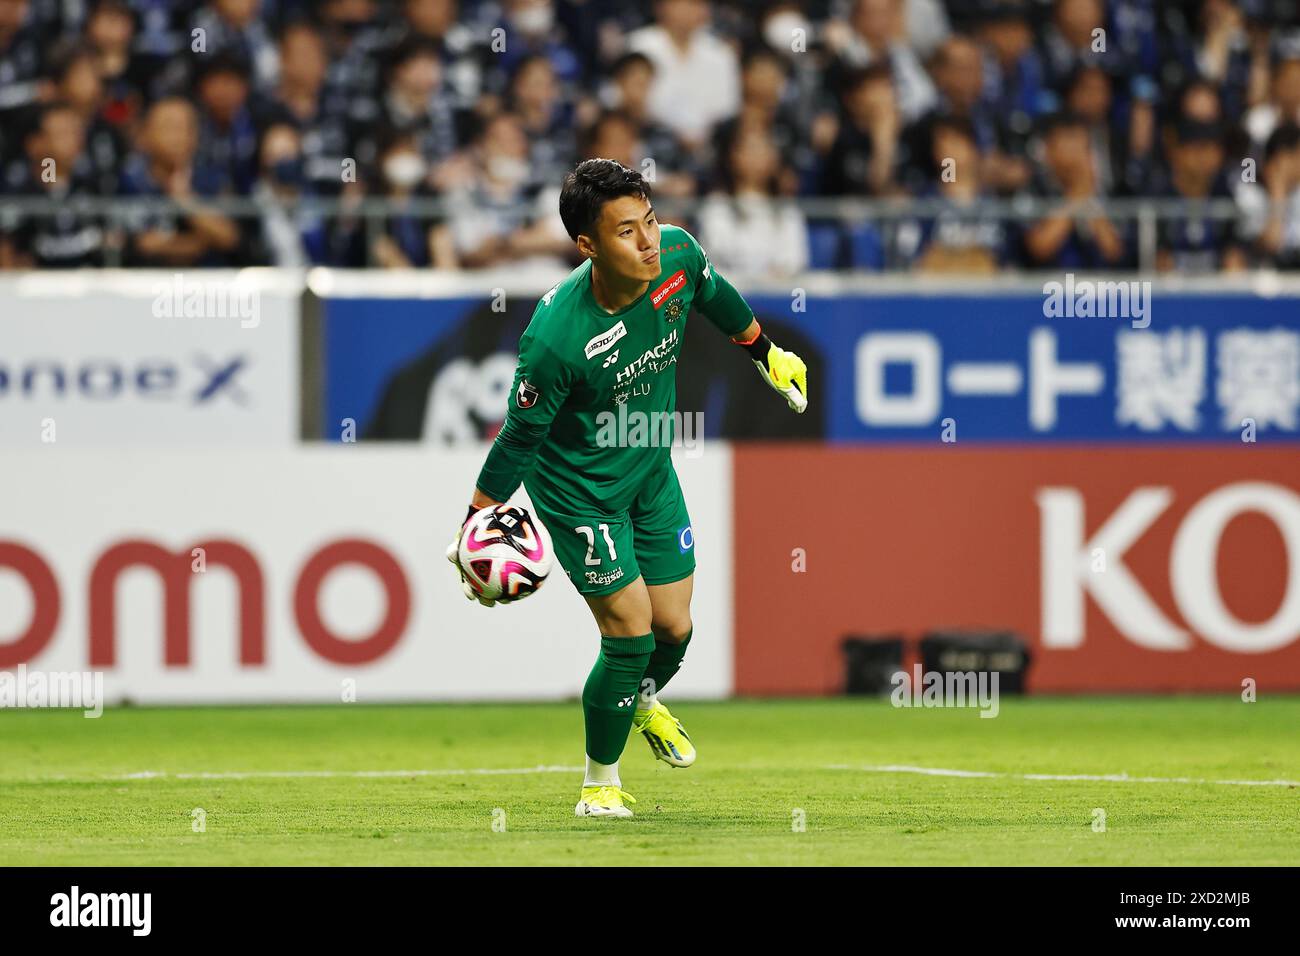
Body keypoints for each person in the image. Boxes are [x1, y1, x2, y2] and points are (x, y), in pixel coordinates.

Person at [445, 159, 808, 818]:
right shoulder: (555, 339)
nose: (647, 242)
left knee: (674, 629)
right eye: (626, 232)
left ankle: (640, 697)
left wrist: (765, 353)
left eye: (650, 221)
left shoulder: (676, 256)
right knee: (632, 634)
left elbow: (713, 290)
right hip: (579, 491)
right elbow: (518, 439)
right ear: (587, 245)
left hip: (649, 469)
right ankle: (599, 783)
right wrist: (473, 523)